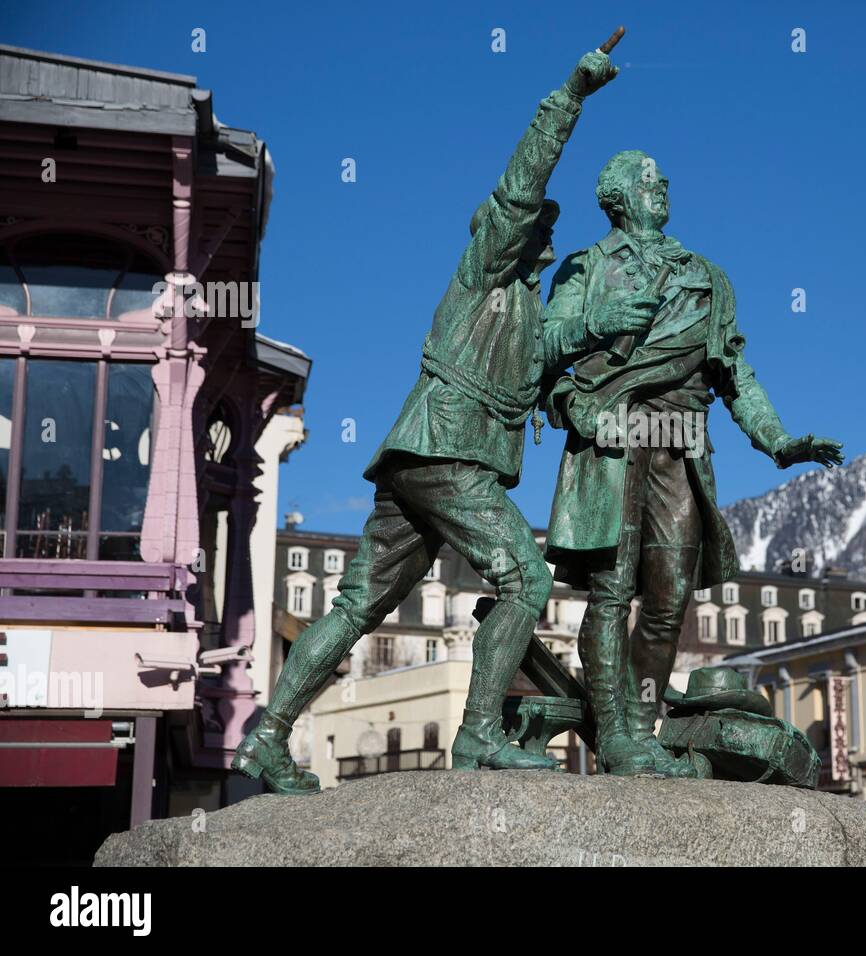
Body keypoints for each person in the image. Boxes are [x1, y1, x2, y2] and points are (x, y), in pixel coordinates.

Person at [233, 42, 645, 793]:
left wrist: (612, 317)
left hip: (424, 465)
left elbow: (559, 345)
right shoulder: (485, 266)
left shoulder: (524, 307)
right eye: (540, 227)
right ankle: (481, 735)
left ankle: (265, 736)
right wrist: (571, 96)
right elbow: (524, 177)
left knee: (358, 604)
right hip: (446, 453)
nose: (548, 236)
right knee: (525, 576)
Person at [540, 150, 843, 774]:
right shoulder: (583, 269)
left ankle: (640, 722)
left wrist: (779, 441)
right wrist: (594, 339)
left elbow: (735, 373)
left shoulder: (707, 276)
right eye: (650, 182)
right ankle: (617, 733)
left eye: (664, 181)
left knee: (669, 595)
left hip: (679, 442)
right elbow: (542, 352)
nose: (663, 189)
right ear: (619, 196)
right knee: (611, 590)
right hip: (611, 441)